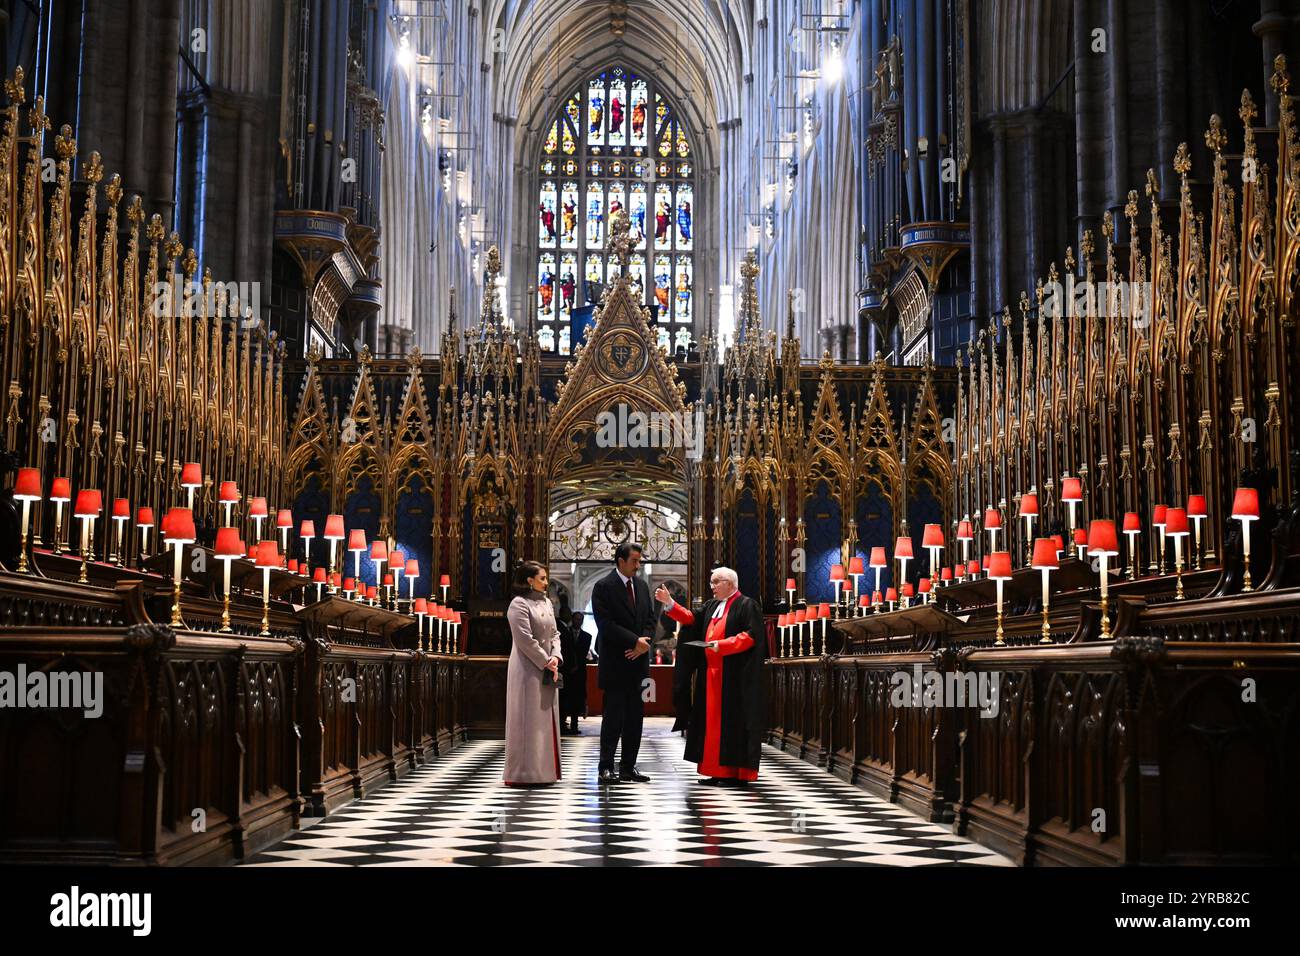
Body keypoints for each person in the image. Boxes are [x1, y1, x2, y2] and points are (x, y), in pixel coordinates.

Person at [655, 567, 766, 787]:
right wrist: (670, 604)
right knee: (711, 725)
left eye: (716, 582)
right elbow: (689, 620)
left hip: (734, 678)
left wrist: (721, 645)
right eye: (711, 582)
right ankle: (715, 771)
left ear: (730, 583)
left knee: (731, 724)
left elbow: (751, 636)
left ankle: (733, 773)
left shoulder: (747, 605)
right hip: (710, 676)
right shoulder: (711, 606)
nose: (712, 587)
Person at [591, 542, 654, 784]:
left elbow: (650, 618)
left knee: (635, 718)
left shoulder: (641, 585)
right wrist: (634, 641)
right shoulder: (603, 587)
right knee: (613, 719)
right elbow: (605, 624)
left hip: (638, 663)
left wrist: (644, 643)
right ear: (620, 560)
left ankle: (628, 766)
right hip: (616, 662)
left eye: (639, 561)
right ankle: (606, 767)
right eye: (634, 561)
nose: (638, 566)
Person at [504, 561, 563, 786]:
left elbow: (555, 633)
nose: (546, 583)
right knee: (527, 720)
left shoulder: (547, 602)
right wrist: (545, 660)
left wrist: (555, 657)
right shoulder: (518, 604)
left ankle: (544, 771)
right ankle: (523, 773)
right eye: (542, 578)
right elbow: (524, 640)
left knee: (544, 720)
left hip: (549, 667)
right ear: (530, 580)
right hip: (527, 669)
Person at [559, 610, 589, 735]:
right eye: (576, 619)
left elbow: (582, 655)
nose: (578, 622)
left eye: (580, 620)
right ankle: (562, 723)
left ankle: (574, 725)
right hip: (566, 671)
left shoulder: (587, 636)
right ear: (572, 619)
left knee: (577, 699)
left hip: (579, 673)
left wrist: (577, 665)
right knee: (564, 698)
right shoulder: (565, 633)